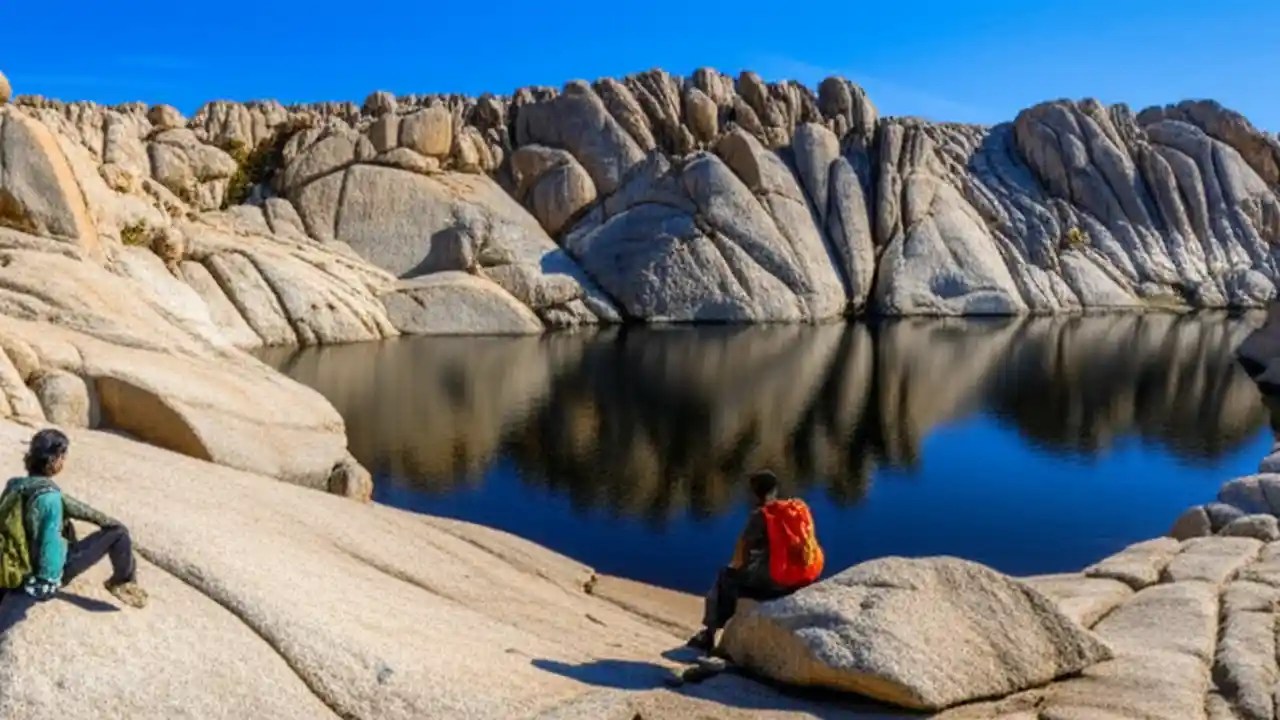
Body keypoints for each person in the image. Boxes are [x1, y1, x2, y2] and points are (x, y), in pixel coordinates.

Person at [0, 429, 147, 630]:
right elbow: (48, 541)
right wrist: (47, 582)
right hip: (40, 573)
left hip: (13, 565)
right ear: (54, 460)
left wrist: (103, 519)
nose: (63, 462)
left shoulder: (15, 485)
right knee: (119, 534)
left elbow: (68, 504)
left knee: (98, 526)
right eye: (63, 457)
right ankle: (122, 582)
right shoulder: (49, 498)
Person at [687, 470, 824, 653]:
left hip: (776, 583)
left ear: (754, 492)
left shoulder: (761, 516)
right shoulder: (796, 509)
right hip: (804, 579)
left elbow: (739, 557)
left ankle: (709, 634)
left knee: (725, 578)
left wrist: (736, 569)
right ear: (775, 490)